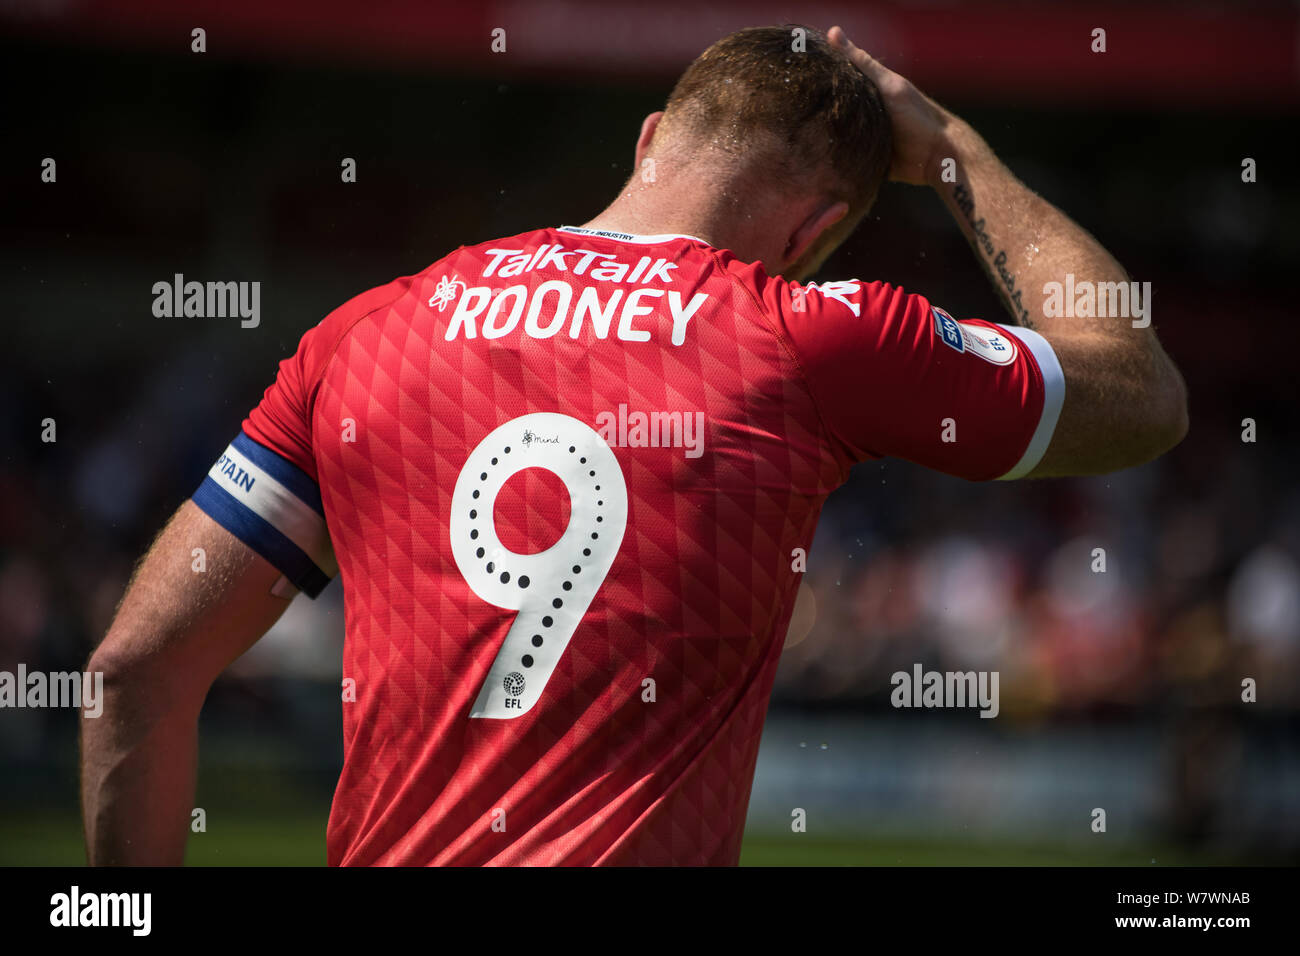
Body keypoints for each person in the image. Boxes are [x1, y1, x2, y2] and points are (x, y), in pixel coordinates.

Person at [81, 24, 1186, 866]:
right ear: (814, 235)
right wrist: (954, 153)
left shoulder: (367, 332)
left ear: (650, 138)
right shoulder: (808, 335)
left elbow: (135, 668)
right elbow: (1140, 392)